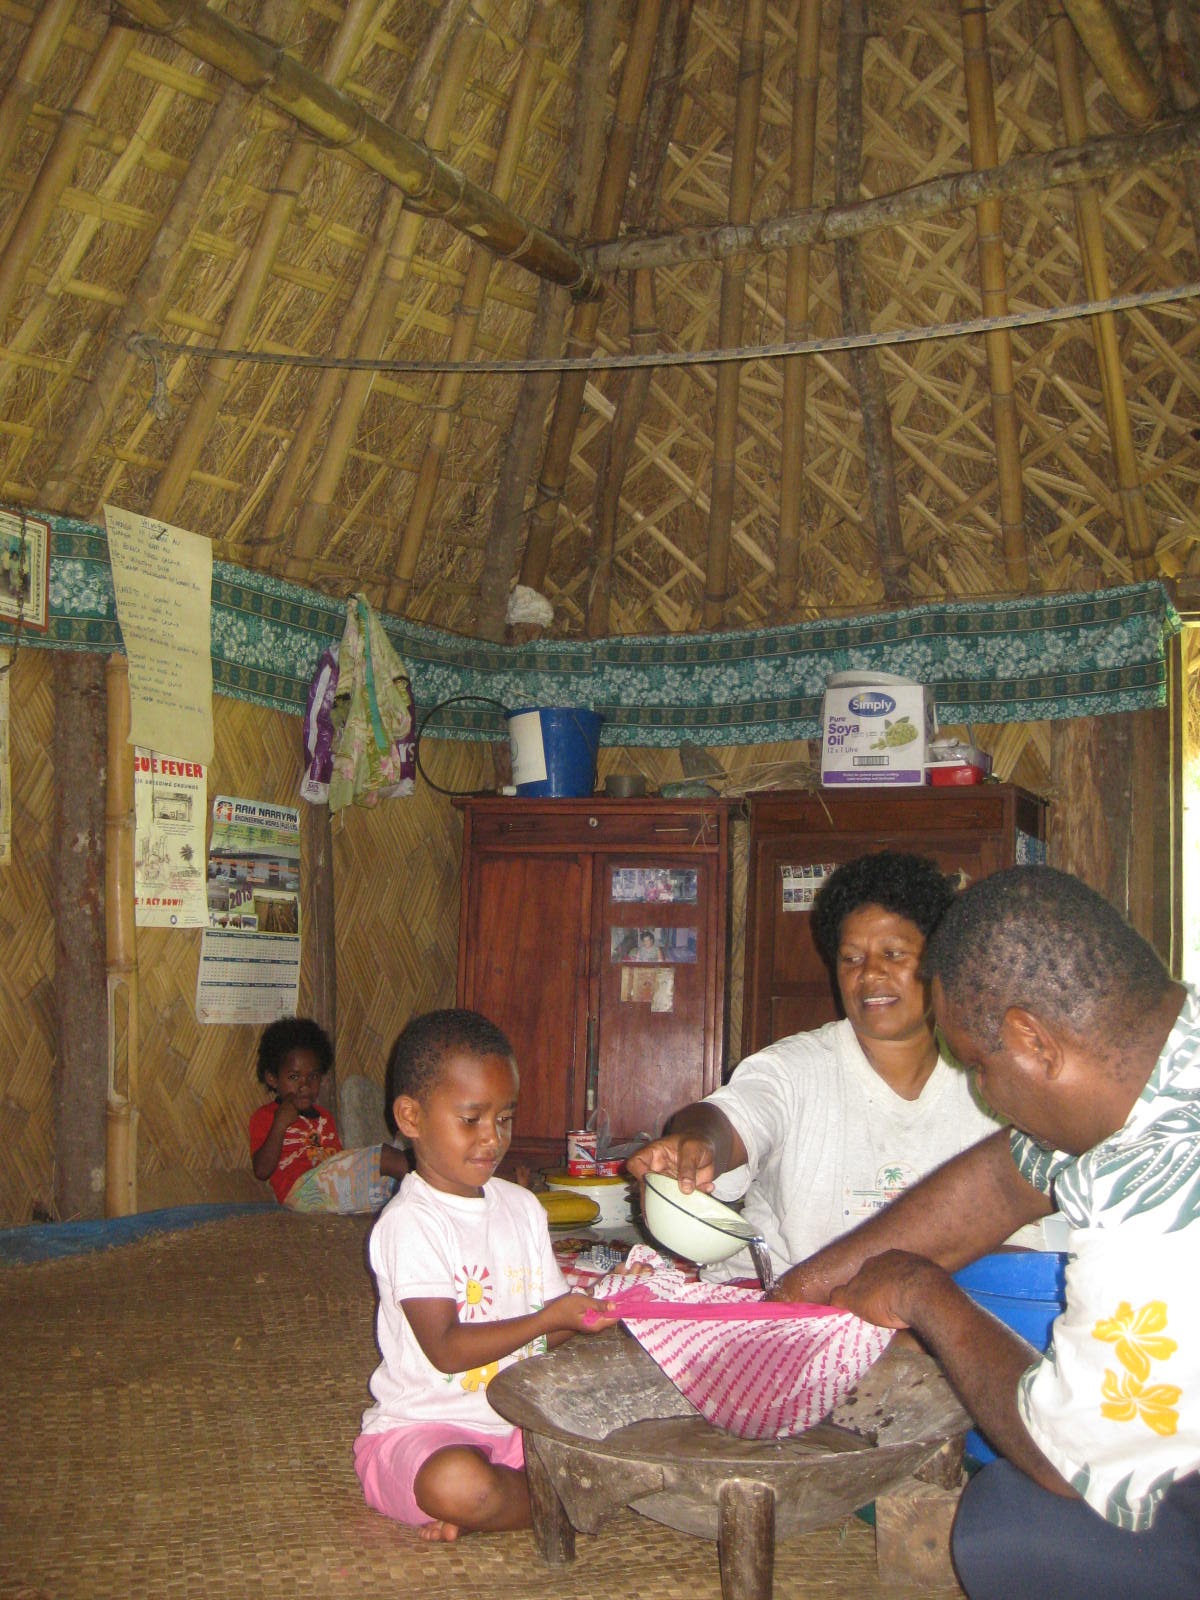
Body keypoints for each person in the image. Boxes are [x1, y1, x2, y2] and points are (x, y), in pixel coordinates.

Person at [772, 865, 1200, 1600]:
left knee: (1011, 1524)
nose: (980, 1091)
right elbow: (1009, 1175)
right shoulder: (1167, 1048)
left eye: (975, 1064)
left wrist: (923, 1294)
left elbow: (1066, 1459)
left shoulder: (1155, 1200)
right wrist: (805, 1293)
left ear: (1031, 1040)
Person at [628, 851, 1014, 1280]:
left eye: (893, 953)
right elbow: (735, 1117)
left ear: (937, 961)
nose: (869, 974)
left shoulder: (988, 1080)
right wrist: (697, 1141)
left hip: (925, 1319)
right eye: (851, 959)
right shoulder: (794, 1068)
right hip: (780, 1313)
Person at [354, 1008, 620, 1542]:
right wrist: (548, 1317)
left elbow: (551, 1330)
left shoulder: (521, 1207)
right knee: (456, 1484)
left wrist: (601, 1305)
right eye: (471, 1118)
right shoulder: (410, 1224)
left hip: (519, 1425)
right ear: (410, 1118)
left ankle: (518, 1502)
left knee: (617, 1423)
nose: (493, 1139)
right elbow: (448, 1349)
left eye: (505, 1118)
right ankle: (543, 1500)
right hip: (425, 1432)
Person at [248, 1016, 408, 1213]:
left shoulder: (324, 1117)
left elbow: (338, 1162)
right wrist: (280, 1125)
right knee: (387, 1156)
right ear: (272, 1079)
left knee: (394, 1183)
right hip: (301, 1192)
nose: (304, 1085)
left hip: (332, 1191)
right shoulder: (266, 1116)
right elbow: (262, 1171)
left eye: (312, 1076)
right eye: (293, 1077)